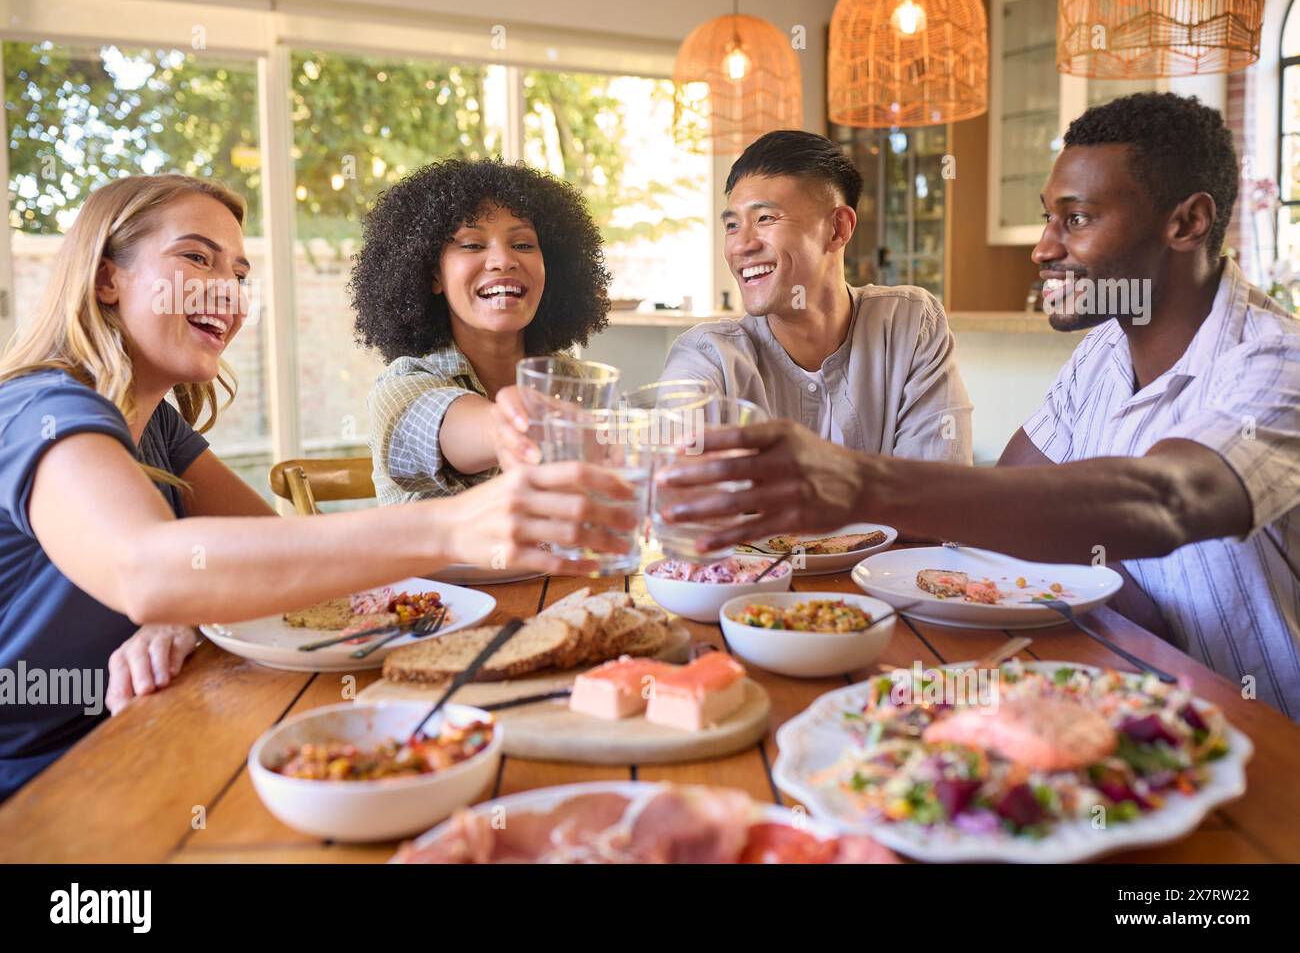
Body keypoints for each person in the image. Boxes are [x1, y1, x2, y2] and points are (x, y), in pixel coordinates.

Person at [658, 94, 1300, 720]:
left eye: (1075, 219)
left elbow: (1169, 502)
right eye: (1048, 217)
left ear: (1186, 223)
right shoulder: (1103, 351)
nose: (1043, 248)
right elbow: (997, 504)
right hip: (1125, 696)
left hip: (1260, 734)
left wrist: (855, 482)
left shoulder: (1277, 361)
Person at [0, 173, 636, 800]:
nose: (228, 292)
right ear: (107, 277)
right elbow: (145, 570)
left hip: (137, 738)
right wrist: (453, 524)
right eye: (198, 258)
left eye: (240, 275)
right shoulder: (39, 408)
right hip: (41, 785)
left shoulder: (158, 425)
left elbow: (275, 556)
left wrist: (186, 612)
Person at [659, 130, 972, 464]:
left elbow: (940, 493)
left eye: (765, 218)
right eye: (733, 225)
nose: (741, 245)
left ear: (838, 229)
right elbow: (680, 492)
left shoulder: (909, 323)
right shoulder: (708, 358)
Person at [353, 159, 611, 502]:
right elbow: (457, 428)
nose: (503, 260)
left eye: (523, 245)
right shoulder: (402, 389)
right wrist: (525, 424)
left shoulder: (576, 381)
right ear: (433, 277)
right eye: (472, 245)